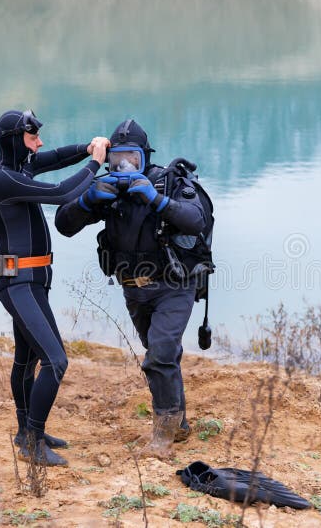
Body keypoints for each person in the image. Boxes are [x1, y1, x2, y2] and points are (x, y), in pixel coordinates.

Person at [55, 119, 212, 459]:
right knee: (163, 354)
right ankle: (180, 423)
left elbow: (197, 219)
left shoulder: (169, 182)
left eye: (132, 158)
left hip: (174, 284)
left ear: (145, 156)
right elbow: (63, 224)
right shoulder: (107, 189)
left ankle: (164, 435)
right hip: (133, 289)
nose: (124, 166)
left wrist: (157, 201)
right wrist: (87, 202)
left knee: (159, 353)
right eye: (118, 158)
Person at [0, 109, 110, 466]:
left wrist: (88, 147)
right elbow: (60, 192)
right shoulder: (1, 179)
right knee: (56, 361)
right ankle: (33, 442)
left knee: (28, 359)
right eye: (32, 137)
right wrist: (95, 163)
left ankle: (27, 432)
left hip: (32, 282)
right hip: (18, 283)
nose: (39, 143)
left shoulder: (21, 169)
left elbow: (56, 157)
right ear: (14, 140)